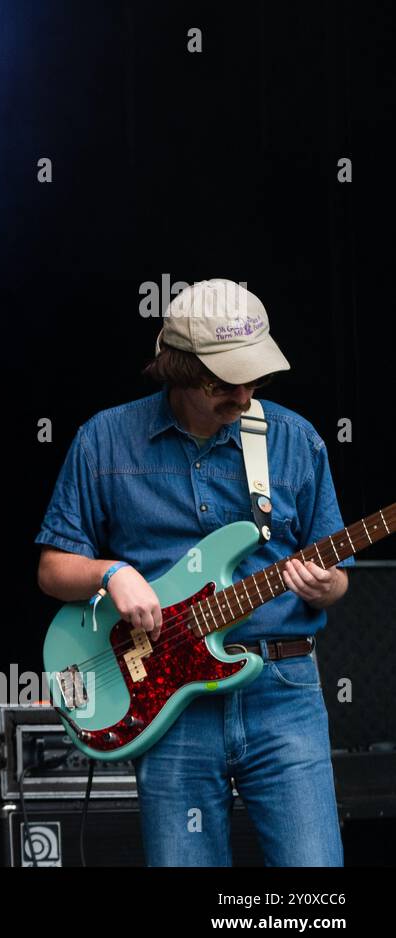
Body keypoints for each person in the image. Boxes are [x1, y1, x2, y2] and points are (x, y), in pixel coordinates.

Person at [35, 279, 350, 866]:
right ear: (178, 372)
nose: (244, 392)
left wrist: (327, 586)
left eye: (253, 377)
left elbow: (338, 575)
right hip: (167, 703)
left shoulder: (294, 439)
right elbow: (53, 571)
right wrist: (111, 574)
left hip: (284, 693)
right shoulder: (105, 440)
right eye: (224, 383)